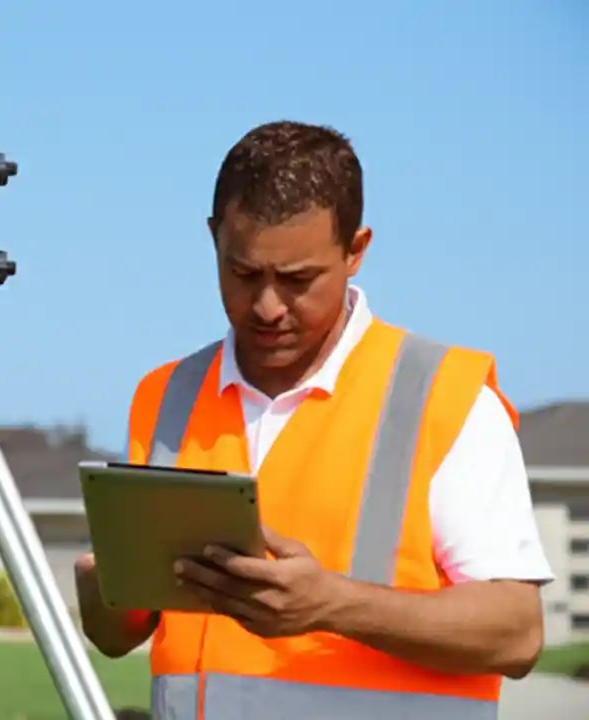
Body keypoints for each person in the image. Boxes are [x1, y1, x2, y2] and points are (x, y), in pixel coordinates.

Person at [74, 120, 552, 718]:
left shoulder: (444, 397)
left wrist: (334, 605)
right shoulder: (166, 395)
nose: (268, 307)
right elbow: (117, 636)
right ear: (213, 239)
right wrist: (105, 587)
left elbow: (516, 634)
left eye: (298, 281)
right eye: (243, 274)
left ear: (356, 251)